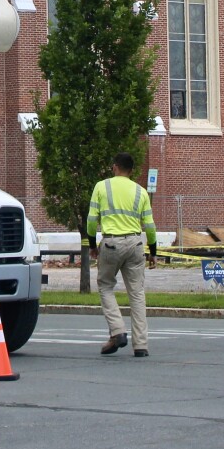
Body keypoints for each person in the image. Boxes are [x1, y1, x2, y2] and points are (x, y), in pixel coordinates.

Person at [86, 152, 157, 357]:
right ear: (131, 170)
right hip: (135, 244)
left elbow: (91, 220)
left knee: (106, 286)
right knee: (136, 293)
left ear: (114, 167)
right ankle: (141, 345)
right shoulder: (140, 191)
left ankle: (117, 332)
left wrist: (92, 245)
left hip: (111, 244)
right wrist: (152, 252)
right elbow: (150, 226)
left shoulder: (102, 186)